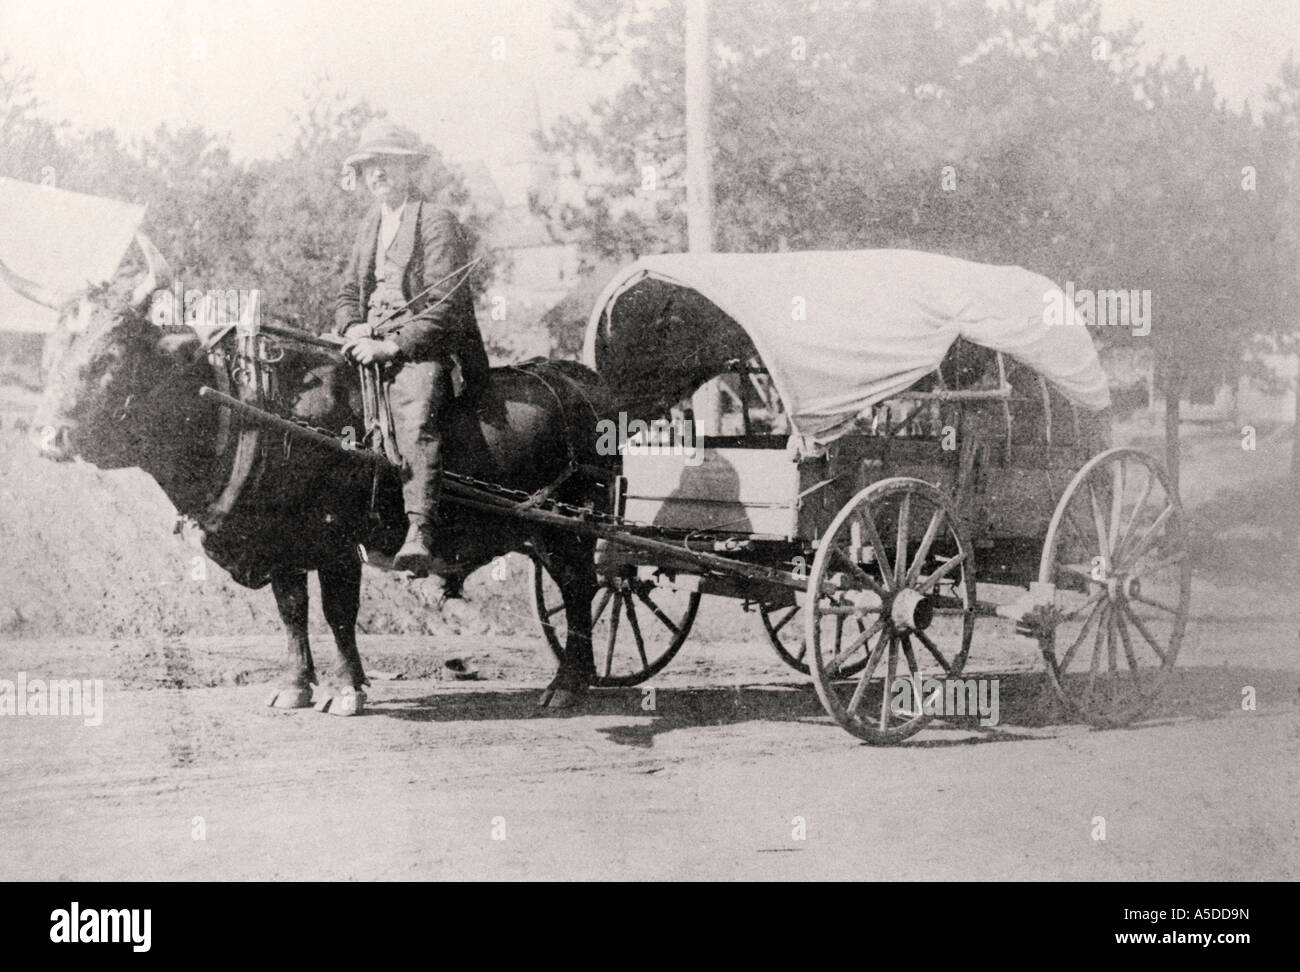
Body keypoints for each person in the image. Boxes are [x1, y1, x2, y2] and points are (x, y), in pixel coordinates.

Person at [333, 120, 491, 575]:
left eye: (386, 164)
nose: (377, 174)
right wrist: (353, 327)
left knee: (414, 412)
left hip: (425, 348)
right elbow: (346, 294)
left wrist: (391, 347)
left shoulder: (436, 221)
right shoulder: (369, 226)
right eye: (369, 167)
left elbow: (447, 307)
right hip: (369, 342)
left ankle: (420, 529)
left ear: (407, 169)